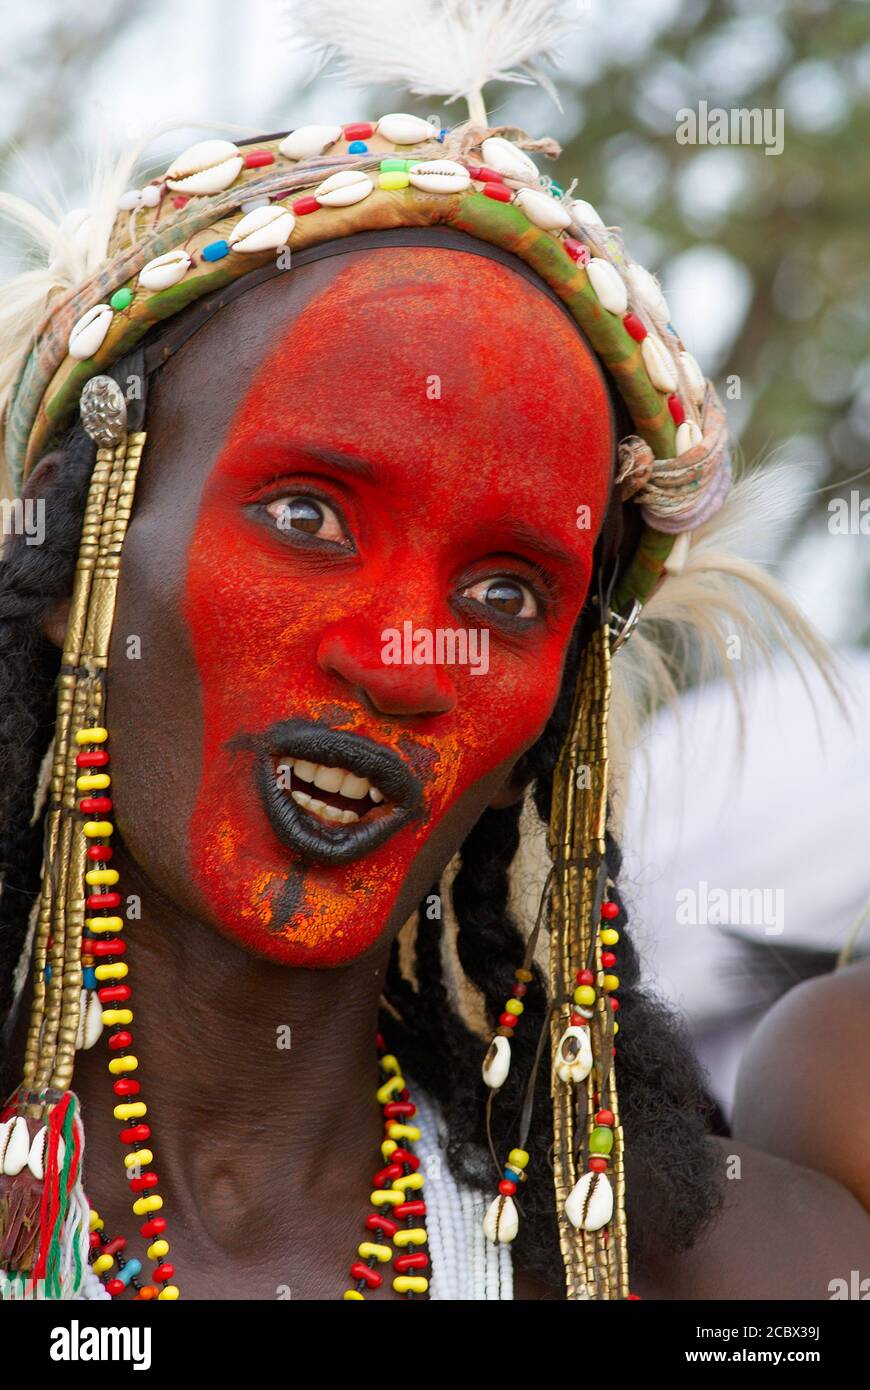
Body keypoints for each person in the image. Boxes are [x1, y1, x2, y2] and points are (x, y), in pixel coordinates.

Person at [0, 4, 867, 1301]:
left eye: (507, 591)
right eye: (307, 515)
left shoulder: (740, 1278)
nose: (404, 662)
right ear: (77, 564)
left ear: (556, 708)